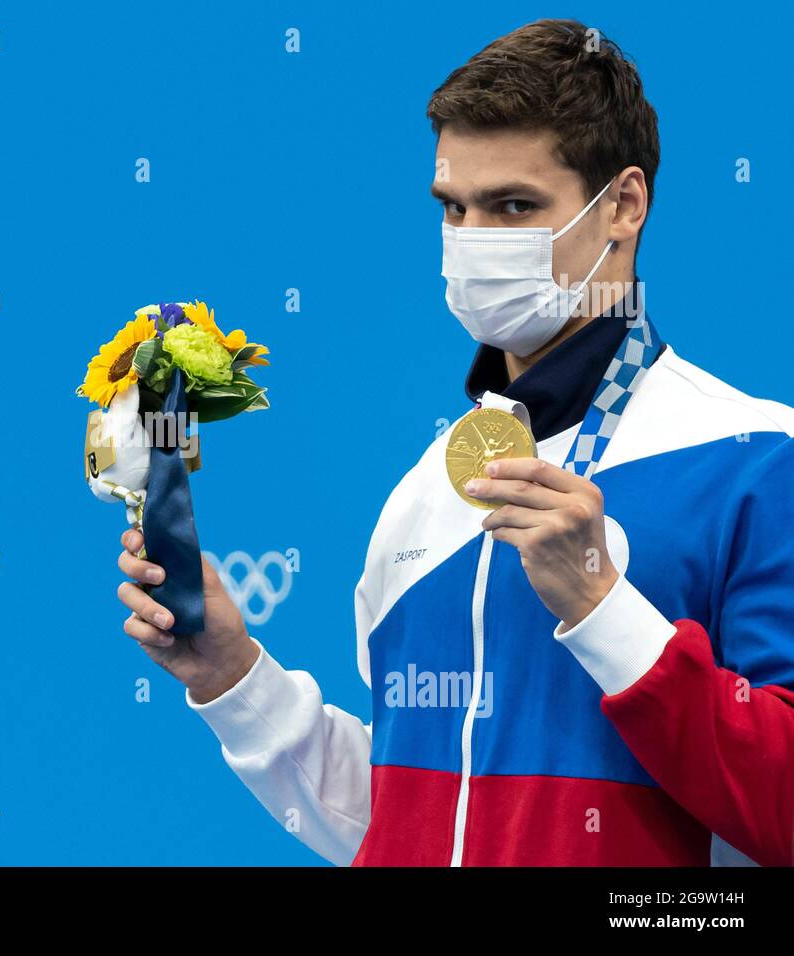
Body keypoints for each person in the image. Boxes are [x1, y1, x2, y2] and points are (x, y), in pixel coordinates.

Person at [113, 18, 794, 866]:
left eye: (512, 205)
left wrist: (602, 609)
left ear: (622, 205)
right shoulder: (423, 493)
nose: (472, 239)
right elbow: (404, 821)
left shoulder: (760, 460)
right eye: (454, 208)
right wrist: (234, 677)